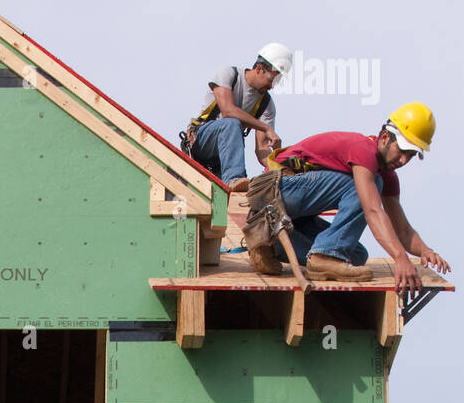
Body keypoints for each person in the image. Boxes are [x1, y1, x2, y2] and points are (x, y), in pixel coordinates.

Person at [247, 103, 450, 296]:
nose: (404, 160)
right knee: (363, 186)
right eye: (403, 150)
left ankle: (270, 245)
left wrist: (424, 251)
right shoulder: (363, 150)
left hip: (292, 212)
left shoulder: (386, 175)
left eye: (411, 155)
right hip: (273, 193)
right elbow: (372, 210)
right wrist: (400, 257)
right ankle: (323, 255)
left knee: (355, 256)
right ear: (386, 137)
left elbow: (402, 229)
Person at [183, 43, 293, 189]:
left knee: (240, 199)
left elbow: (262, 149)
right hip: (201, 140)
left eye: (277, 81)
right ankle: (234, 179)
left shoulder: (266, 104)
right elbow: (227, 110)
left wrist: (278, 166)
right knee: (232, 123)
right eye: (272, 79)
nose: (272, 86)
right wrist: (266, 127)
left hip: (224, 160)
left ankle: (236, 182)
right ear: (259, 68)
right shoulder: (229, 74)